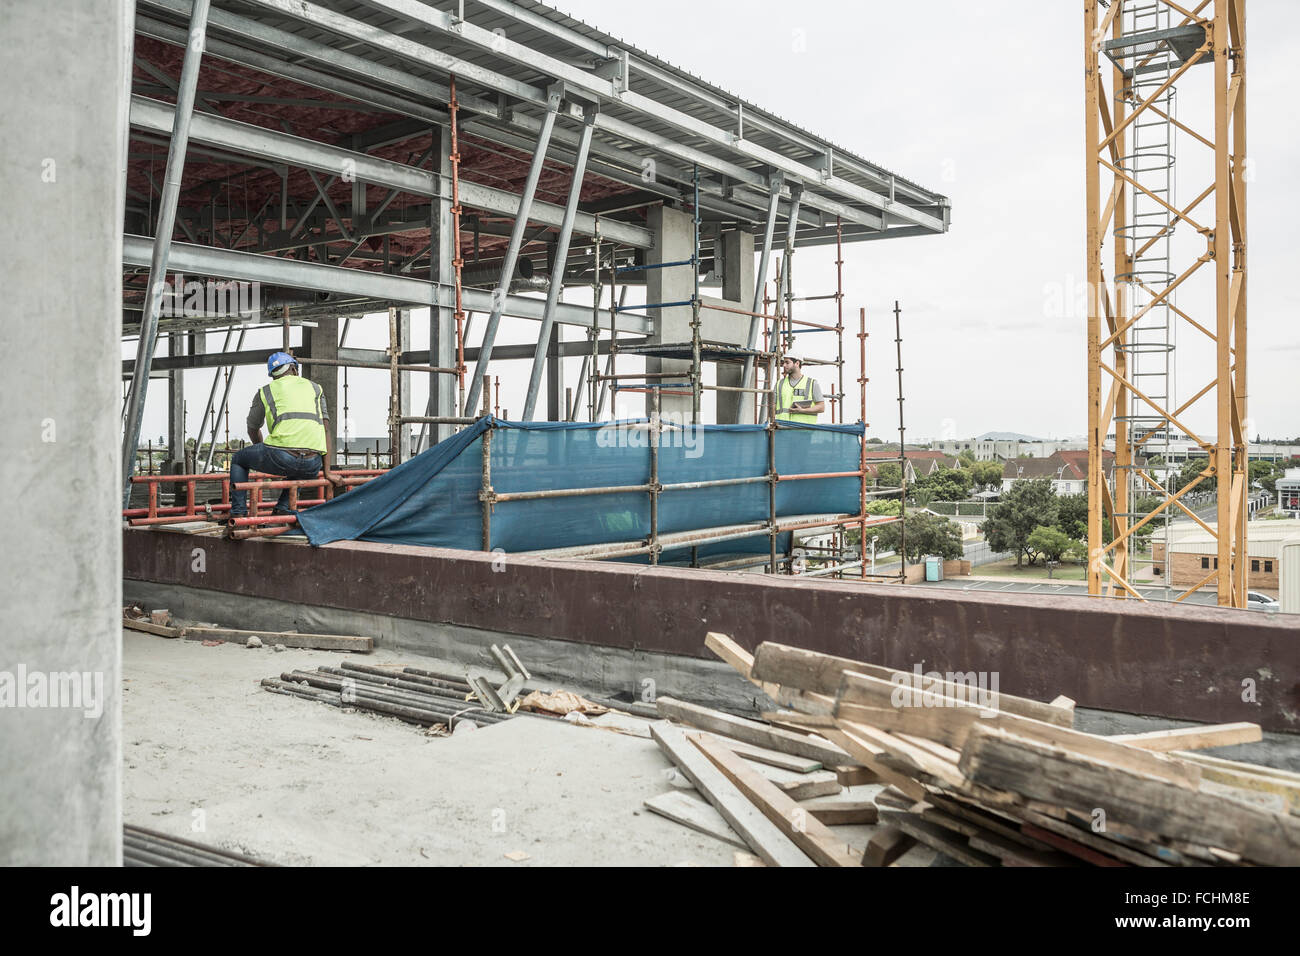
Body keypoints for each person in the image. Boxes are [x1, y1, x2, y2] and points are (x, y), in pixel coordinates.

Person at [228, 351, 340, 521]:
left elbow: (252, 428)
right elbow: (326, 429)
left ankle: (238, 512)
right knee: (299, 470)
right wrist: (328, 472)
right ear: (295, 370)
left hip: (279, 455)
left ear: (273, 375)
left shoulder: (266, 391)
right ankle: (282, 508)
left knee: (238, 459)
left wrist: (263, 452)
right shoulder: (316, 388)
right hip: (313, 463)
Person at [775, 354, 825, 423]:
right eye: (783, 363)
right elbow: (772, 406)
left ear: (797, 363)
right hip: (782, 428)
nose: (784, 365)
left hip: (803, 429)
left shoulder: (812, 383)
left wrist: (803, 411)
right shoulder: (779, 384)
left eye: (787, 362)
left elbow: (821, 407)